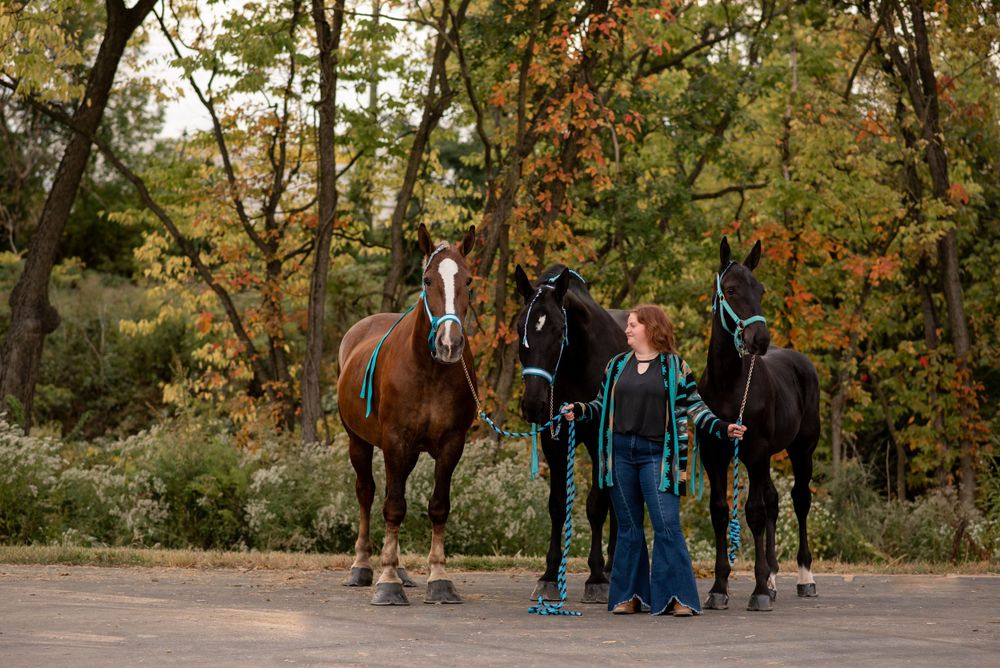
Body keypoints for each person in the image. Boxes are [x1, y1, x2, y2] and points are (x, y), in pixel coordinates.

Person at [562, 304, 746, 616]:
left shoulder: (676, 368)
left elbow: (696, 408)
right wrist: (578, 410)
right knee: (629, 527)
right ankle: (629, 595)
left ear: (651, 328)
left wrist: (723, 428)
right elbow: (599, 404)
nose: (627, 330)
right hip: (619, 454)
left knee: (667, 525)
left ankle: (678, 597)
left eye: (633, 325)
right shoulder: (616, 366)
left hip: (659, 457)